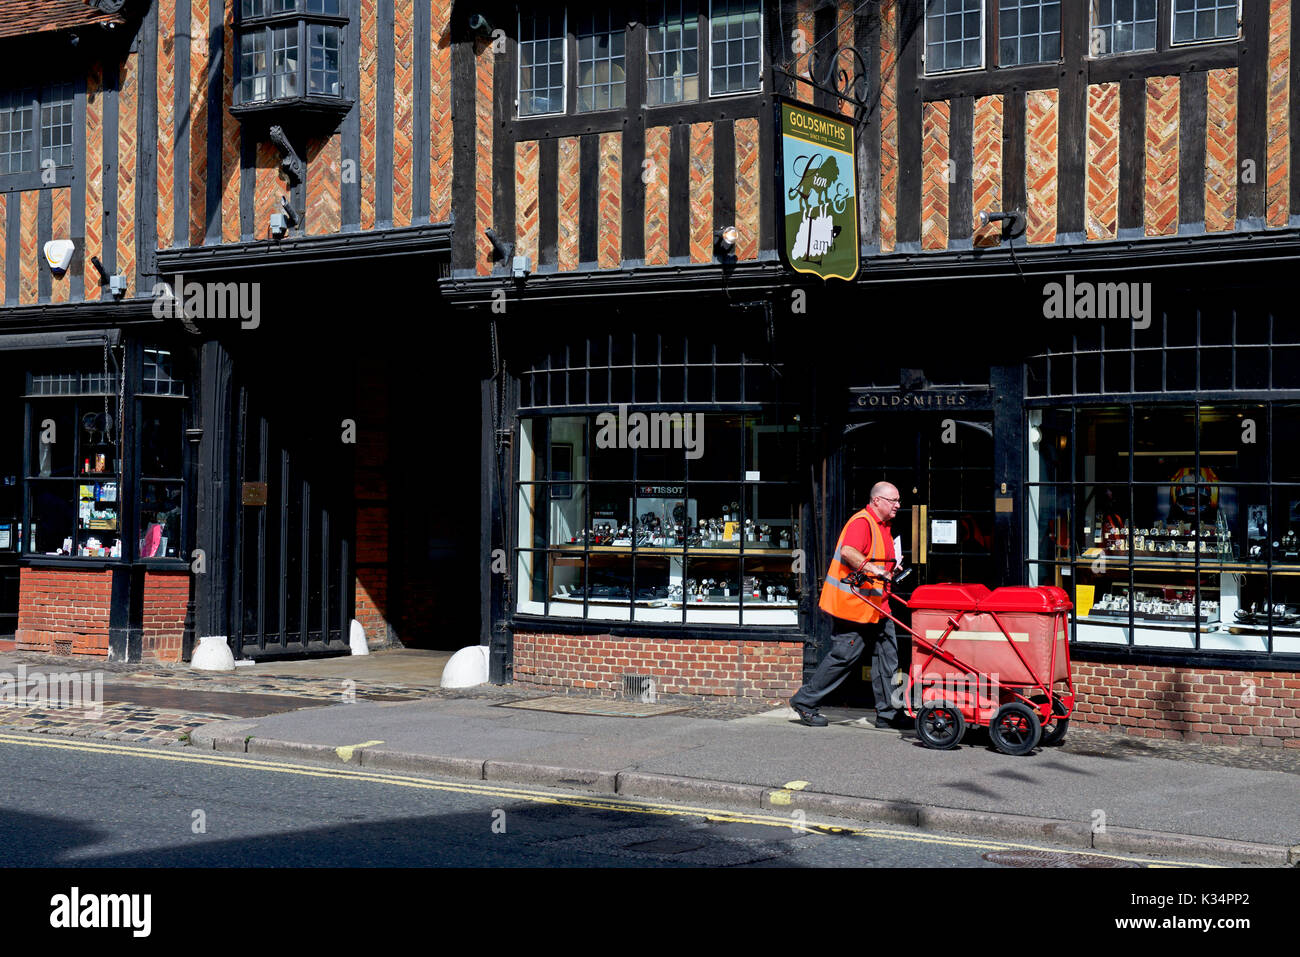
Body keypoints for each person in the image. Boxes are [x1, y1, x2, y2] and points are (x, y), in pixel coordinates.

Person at [790, 481, 908, 730]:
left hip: (878, 606)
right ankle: (805, 701)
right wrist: (876, 570)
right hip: (854, 606)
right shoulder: (862, 522)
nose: (898, 505)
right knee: (844, 657)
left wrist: (890, 569)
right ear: (877, 501)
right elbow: (849, 552)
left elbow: (878, 561)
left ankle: (887, 713)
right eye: (893, 500)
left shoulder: (883, 526)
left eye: (899, 500)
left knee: (888, 659)